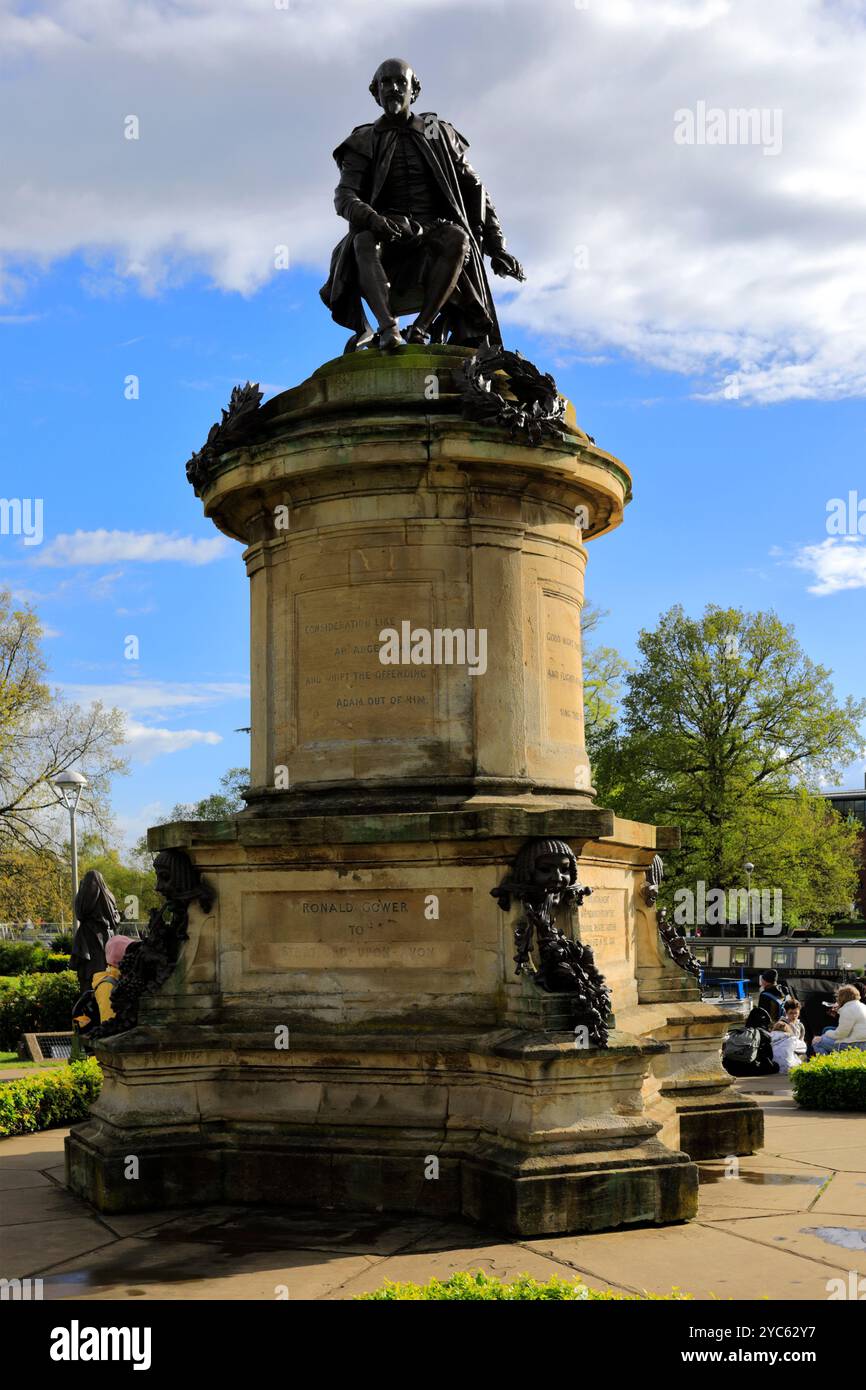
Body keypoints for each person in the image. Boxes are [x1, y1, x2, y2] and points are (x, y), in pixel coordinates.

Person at [320, 57, 525, 351]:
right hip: (385, 228)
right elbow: (344, 195)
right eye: (385, 83)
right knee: (362, 240)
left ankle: (421, 328)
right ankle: (388, 328)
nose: (392, 88)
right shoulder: (363, 140)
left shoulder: (437, 131)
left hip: (432, 229)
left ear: (413, 91)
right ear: (375, 92)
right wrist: (372, 219)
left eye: (400, 82)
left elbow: (475, 188)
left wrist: (496, 246)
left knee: (458, 237)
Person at [722, 1007, 779, 1076]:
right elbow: (769, 1056)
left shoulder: (740, 1031)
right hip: (749, 1069)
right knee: (776, 1066)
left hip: (731, 1069)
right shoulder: (763, 1034)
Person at [812, 984, 866, 1055]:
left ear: (842, 998)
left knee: (816, 1042)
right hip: (861, 1041)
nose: (837, 999)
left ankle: (829, 1064)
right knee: (824, 1035)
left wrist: (826, 1034)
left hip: (856, 1045)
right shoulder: (862, 1006)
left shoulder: (848, 1009)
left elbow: (841, 1034)